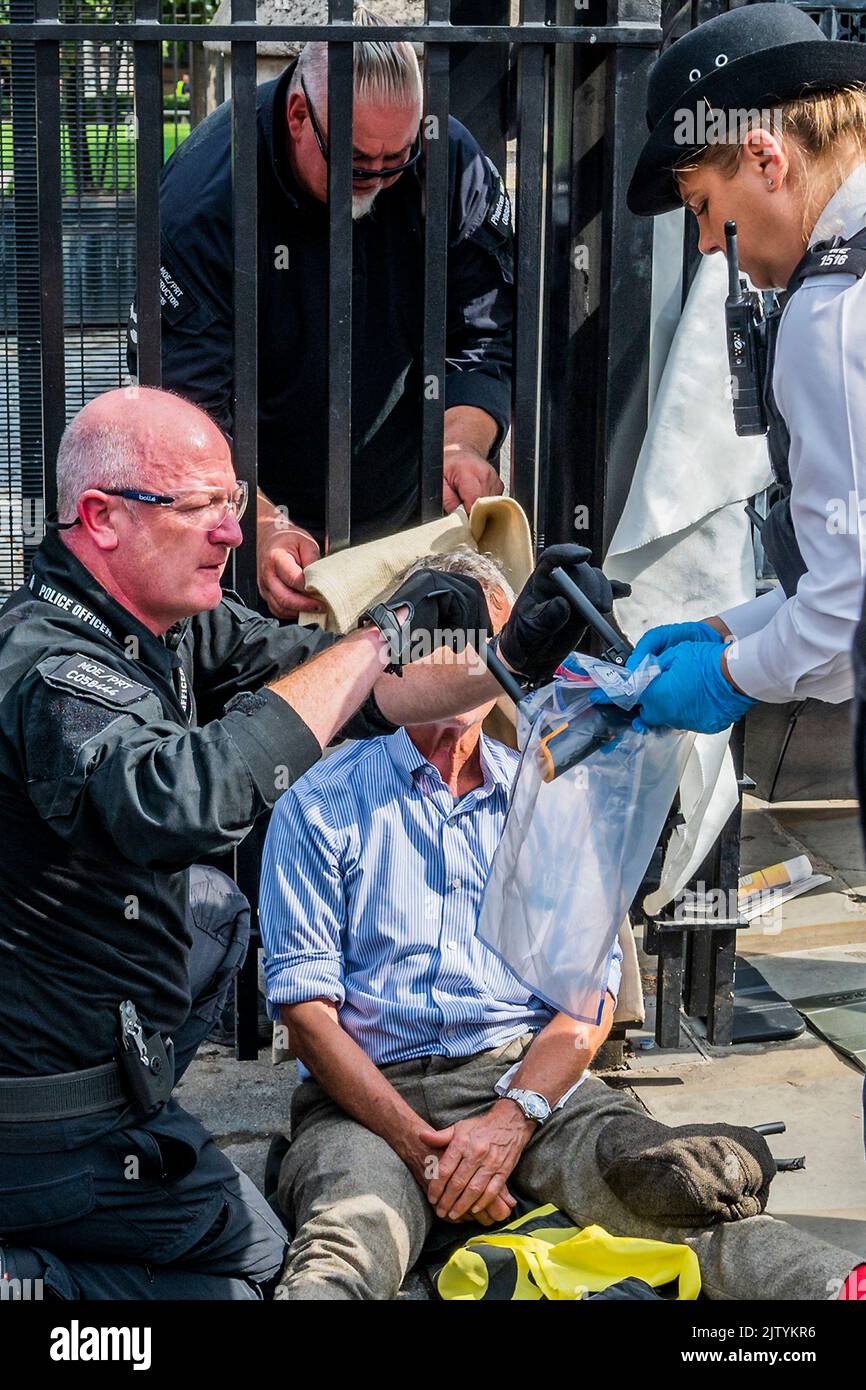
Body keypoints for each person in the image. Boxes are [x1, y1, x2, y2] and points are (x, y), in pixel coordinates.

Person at [0, 385, 614, 1300]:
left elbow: (337, 691)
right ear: (102, 519)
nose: (232, 533)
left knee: (255, 1264)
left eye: (233, 503)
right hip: (45, 1126)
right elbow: (174, 804)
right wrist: (380, 634)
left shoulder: (169, 627)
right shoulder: (52, 663)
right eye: (203, 507)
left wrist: (510, 659)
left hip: (125, 1104)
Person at [260, 549, 863, 1302]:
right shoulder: (319, 805)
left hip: (528, 1086)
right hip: (370, 1102)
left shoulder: (548, 792)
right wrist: (424, 1152)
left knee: (679, 1204)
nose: (472, 662)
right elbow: (307, 1017)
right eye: (448, 640)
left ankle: (838, 1290)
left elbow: (587, 999)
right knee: (349, 1236)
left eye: (498, 644)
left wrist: (512, 1117)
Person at [129, 6, 514, 620]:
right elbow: (186, 409)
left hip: (409, 509)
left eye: (398, 160)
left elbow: (484, 333)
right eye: (358, 162)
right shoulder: (203, 201)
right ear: (299, 115)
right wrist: (258, 526)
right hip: (254, 509)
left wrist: (460, 447)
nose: (380, 181)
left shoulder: (451, 161)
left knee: (421, 693)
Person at [603, 4, 866, 738]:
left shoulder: (833, 314)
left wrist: (726, 674)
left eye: (702, 208)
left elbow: (848, 612)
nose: (706, 245)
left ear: (764, 159)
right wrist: (727, 628)